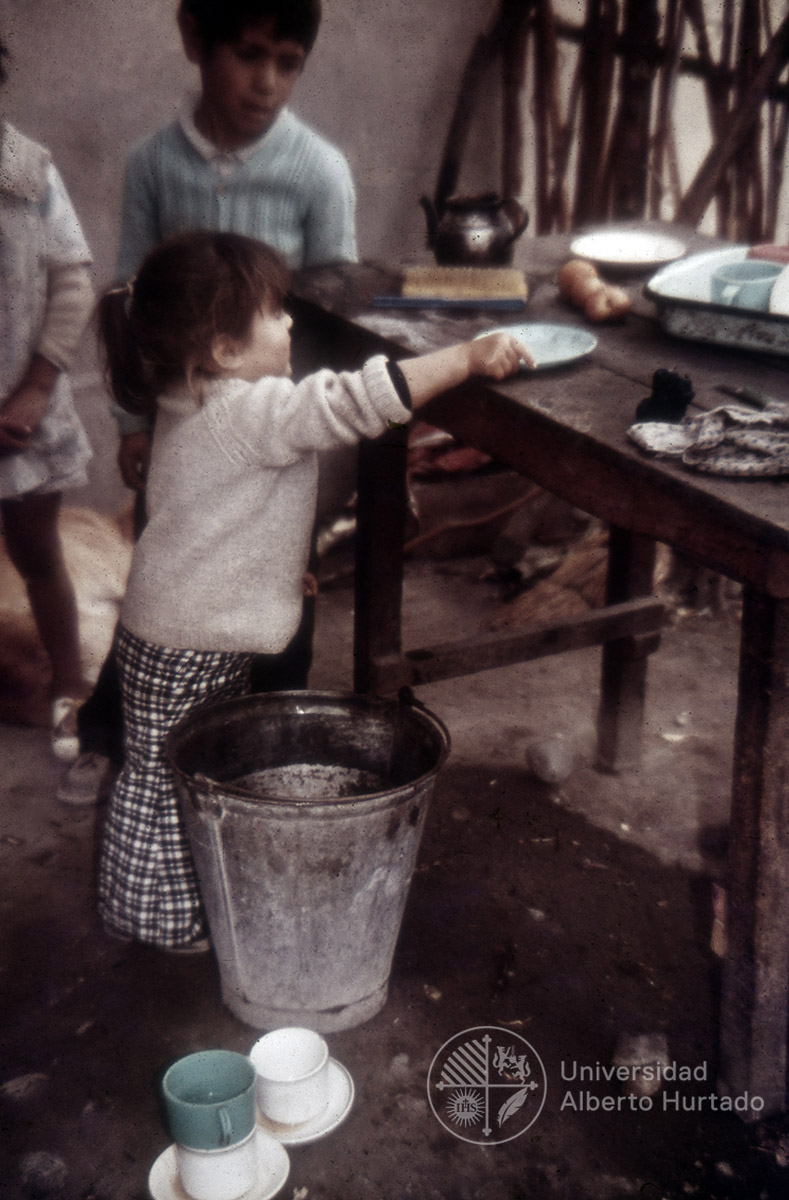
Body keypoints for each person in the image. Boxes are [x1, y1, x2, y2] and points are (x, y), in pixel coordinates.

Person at [95, 229, 532, 950]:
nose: (291, 320)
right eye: (273, 310)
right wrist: (464, 356)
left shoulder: (187, 399)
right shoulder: (245, 408)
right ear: (225, 350)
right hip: (189, 640)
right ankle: (158, 923)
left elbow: (210, 516)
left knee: (166, 769)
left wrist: (268, 569)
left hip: (173, 625)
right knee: (166, 781)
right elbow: (356, 402)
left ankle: (167, 908)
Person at [68, 0, 357, 797]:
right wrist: (134, 422)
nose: (267, 82)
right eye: (250, 54)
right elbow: (128, 292)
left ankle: (266, 748)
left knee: (280, 594)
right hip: (187, 431)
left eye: (287, 63)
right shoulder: (155, 165)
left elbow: (339, 306)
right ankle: (115, 735)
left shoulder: (318, 170)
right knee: (162, 583)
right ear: (197, 40)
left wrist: (314, 437)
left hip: (276, 436)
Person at [0, 35, 95, 762]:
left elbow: (71, 280)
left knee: (39, 553)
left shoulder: (27, 172)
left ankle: (72, 682)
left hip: (19, 410)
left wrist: (36, 388)